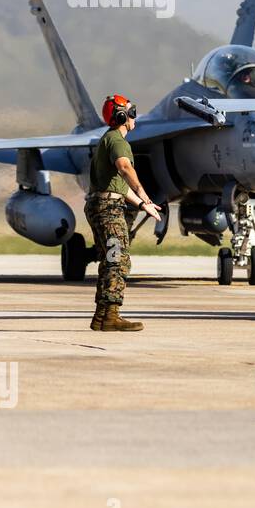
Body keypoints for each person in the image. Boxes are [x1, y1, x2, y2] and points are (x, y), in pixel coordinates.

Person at [85, 94, 161, 331]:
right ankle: (111, 316)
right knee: (118, 260)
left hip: (102, 205)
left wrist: (141, 204)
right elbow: (124, 167)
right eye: (131, 112)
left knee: (109, 260)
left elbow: (118, 185)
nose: (134, 117)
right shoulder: (118, 142)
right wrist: (144, 191)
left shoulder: (107, 140)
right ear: (121, 116)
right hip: (109, 210)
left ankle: (102, 316)